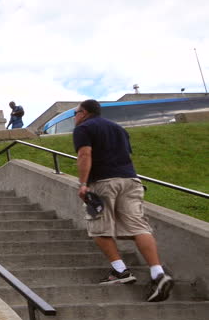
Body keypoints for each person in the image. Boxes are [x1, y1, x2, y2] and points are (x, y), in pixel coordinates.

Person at [72, 99, 174, 302]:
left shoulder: (83, 128)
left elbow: (85, 154)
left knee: (97, 226)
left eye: (75, 113)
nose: (75, 117)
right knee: (138, 226)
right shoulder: (118, 129)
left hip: (103, 182)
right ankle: (157, 273)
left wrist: (83, 183)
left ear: (83, 112)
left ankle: (120, 271)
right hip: (131, 181)